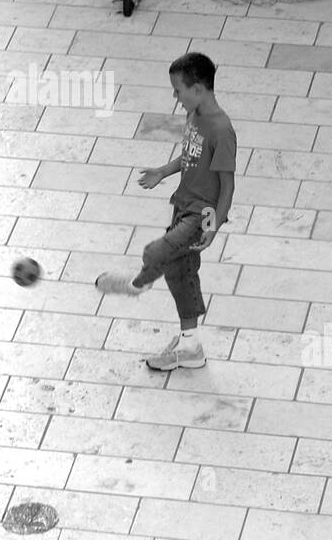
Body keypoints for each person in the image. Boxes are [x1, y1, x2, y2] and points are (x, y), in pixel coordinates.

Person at [96, 52, 236, 371]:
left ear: (198, 88)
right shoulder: (195, 116)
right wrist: (163, 171)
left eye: (178, 90)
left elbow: (228, 185)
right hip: (182, 204)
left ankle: (138, 283)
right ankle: (190, 347)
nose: (175, 97)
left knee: (157, 251)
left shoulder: (221, 130)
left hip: (201, 215)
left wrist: (213, 227)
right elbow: (188, 157)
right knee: (179, 273)